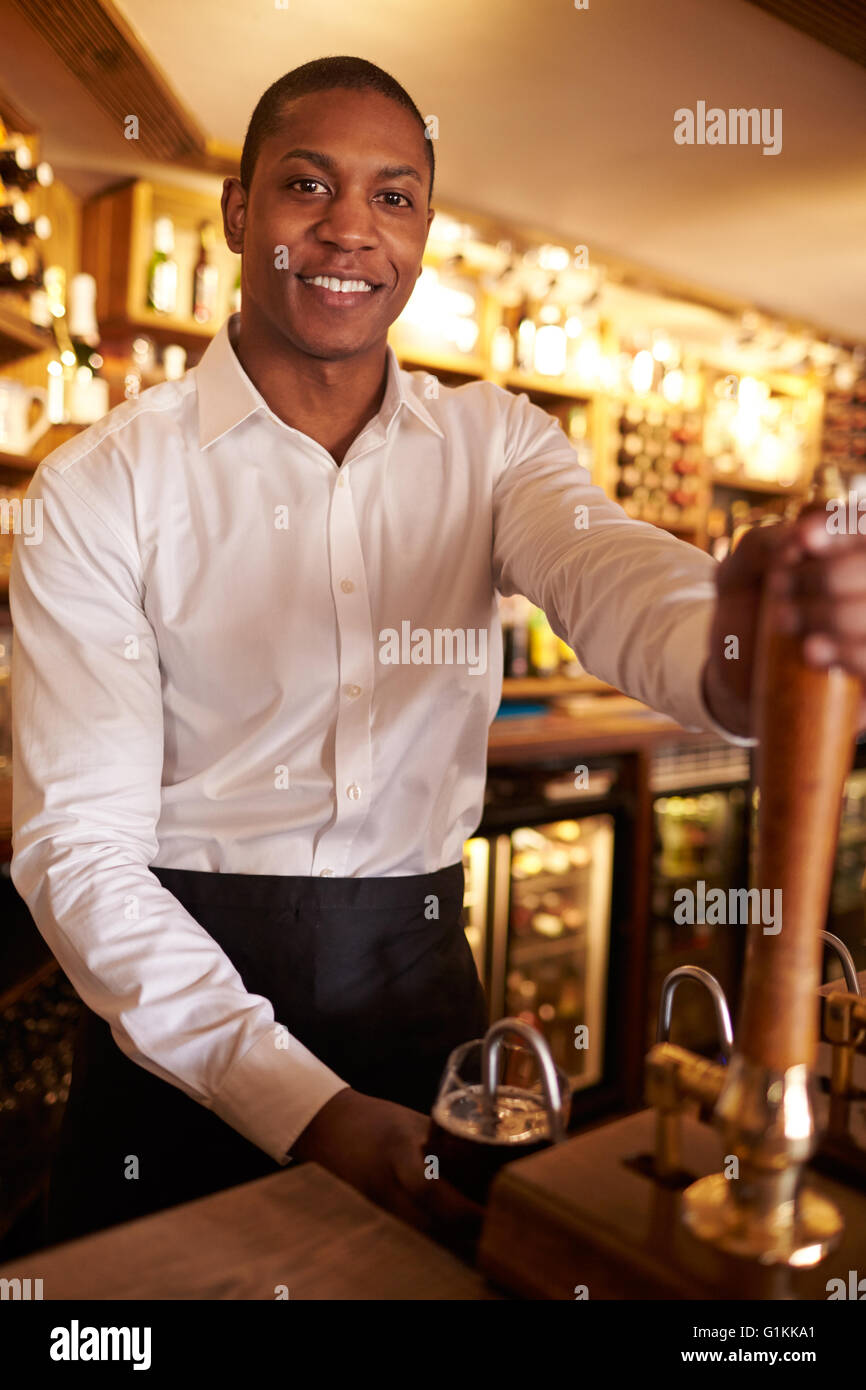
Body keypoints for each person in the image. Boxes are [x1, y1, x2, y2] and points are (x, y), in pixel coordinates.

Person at [10, 55, 866, 1253]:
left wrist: (747, 628)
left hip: (421, 1004)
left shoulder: (497, 445)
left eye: (394, 196)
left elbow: (614, 575)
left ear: (422, 231)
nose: (350, 228)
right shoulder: (100, 485)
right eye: (307, 185)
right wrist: (306, 1110)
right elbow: (80, 856)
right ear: (237, 211)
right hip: (175, 1030)